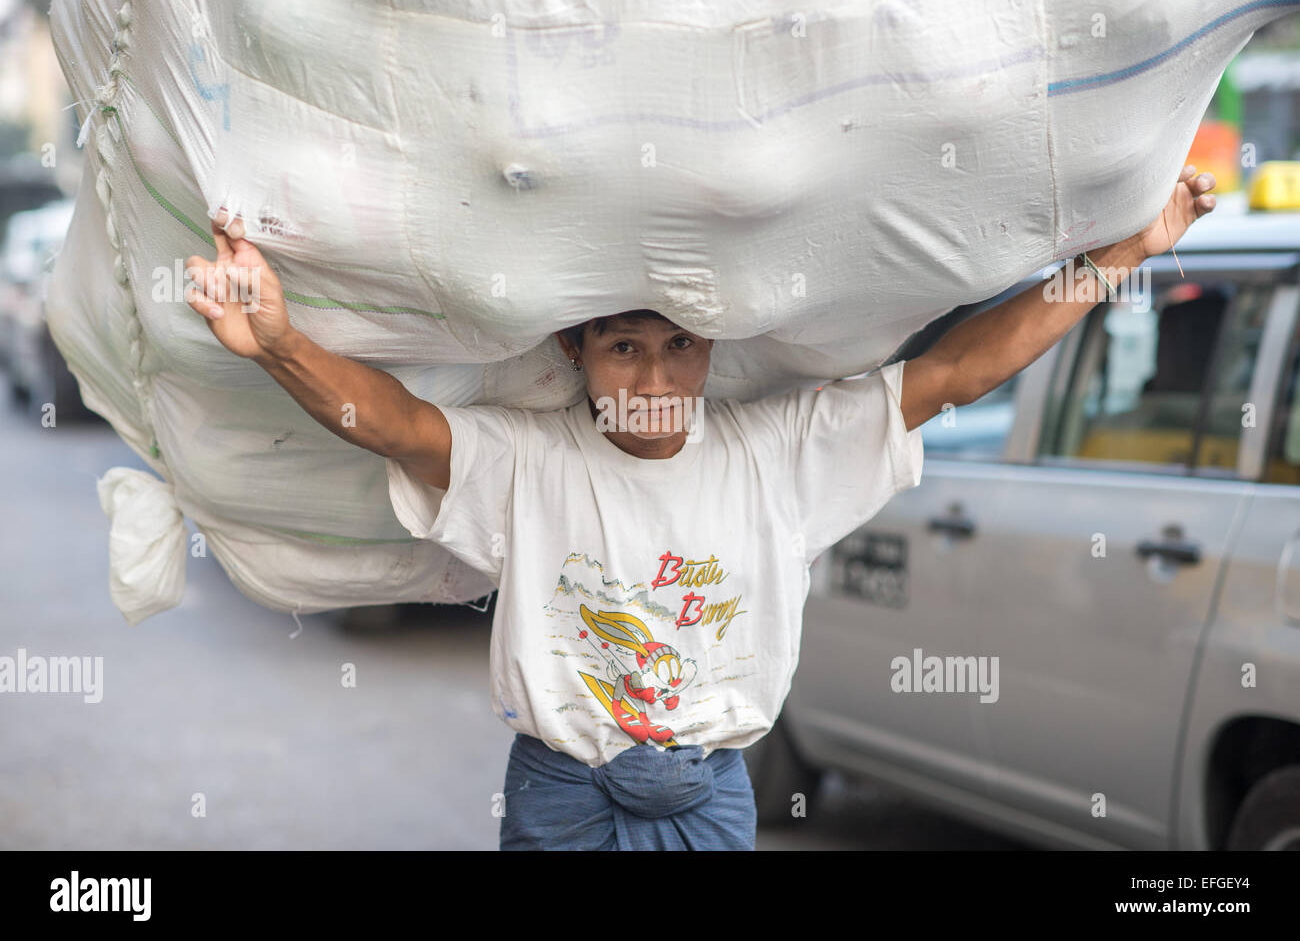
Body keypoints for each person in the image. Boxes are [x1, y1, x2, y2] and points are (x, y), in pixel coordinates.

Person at [184, 165, 1217, 850]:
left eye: (679, 342)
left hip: (713, 799)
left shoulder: (780, 455)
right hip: (560, 799)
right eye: (624, 343)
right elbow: (393, 423)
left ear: (712, 351)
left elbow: (953, 369)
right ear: (573, 354)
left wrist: (1122, 254)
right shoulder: (529, 462)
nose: (654, 371)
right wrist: (276, 339)